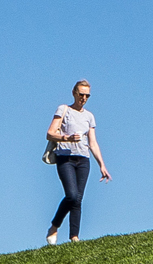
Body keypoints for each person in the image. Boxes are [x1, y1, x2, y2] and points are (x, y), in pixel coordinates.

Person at [45, 80, 108, 244]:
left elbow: (93, 143)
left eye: (87, 95)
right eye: (81, 94)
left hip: (83, 159)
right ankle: (54, 226)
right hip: (65, 157)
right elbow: (50, 133)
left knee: (78, 199)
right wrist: (67, 138)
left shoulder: (89, 116)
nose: (84, 98)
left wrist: (102, 165)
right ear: (74, 93)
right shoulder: (63, 109)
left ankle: (74, 237)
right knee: (71, 195)